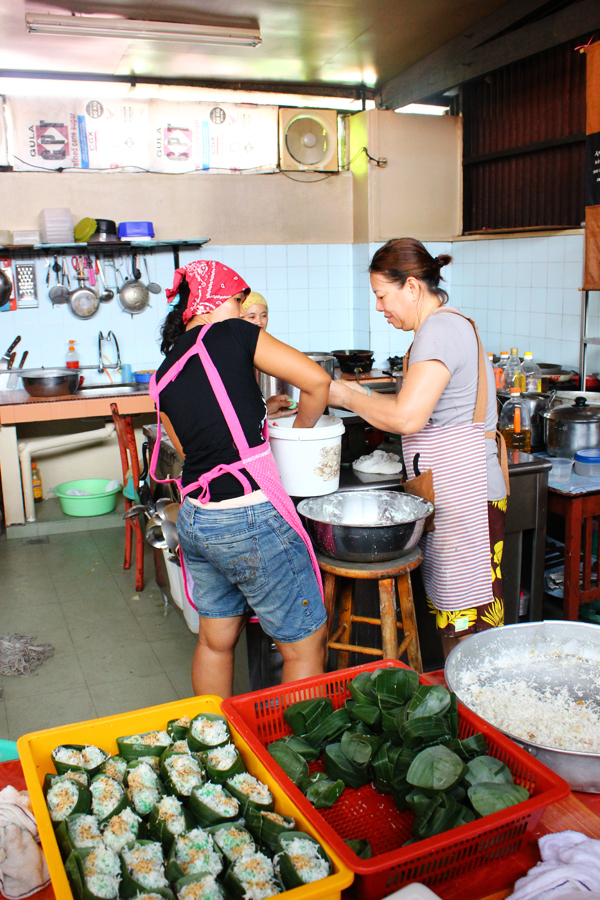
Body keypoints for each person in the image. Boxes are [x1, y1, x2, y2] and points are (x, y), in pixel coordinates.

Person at [149, 260, 329, 698]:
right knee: (305, 647)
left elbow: (194, 453)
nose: (243, 313)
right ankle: (295, 762)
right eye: (237, 303)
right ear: (214, 303)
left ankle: (215, 745)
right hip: (250, 517)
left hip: (197, 519)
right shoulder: (230, 334)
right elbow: (318, 381)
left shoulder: (163, 373)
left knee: (215, 640)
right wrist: (302, 432)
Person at [328, 238, 509, 659]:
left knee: (468, 629)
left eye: (381, 295)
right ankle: (463, 714)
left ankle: (476, 719)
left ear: (411, 287)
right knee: (456, 617)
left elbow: (408, 419)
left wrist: (346, 394)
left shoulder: (440, 331)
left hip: (466, 497)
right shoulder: (441, 328)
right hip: (455, 491)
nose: (379, 307)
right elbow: (417, 410)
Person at [240, 290, 296, 420]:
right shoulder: (236, 351)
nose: (259, 322)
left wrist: (267, 410)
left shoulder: (267, 346)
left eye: (263, 315)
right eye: (252, 317)